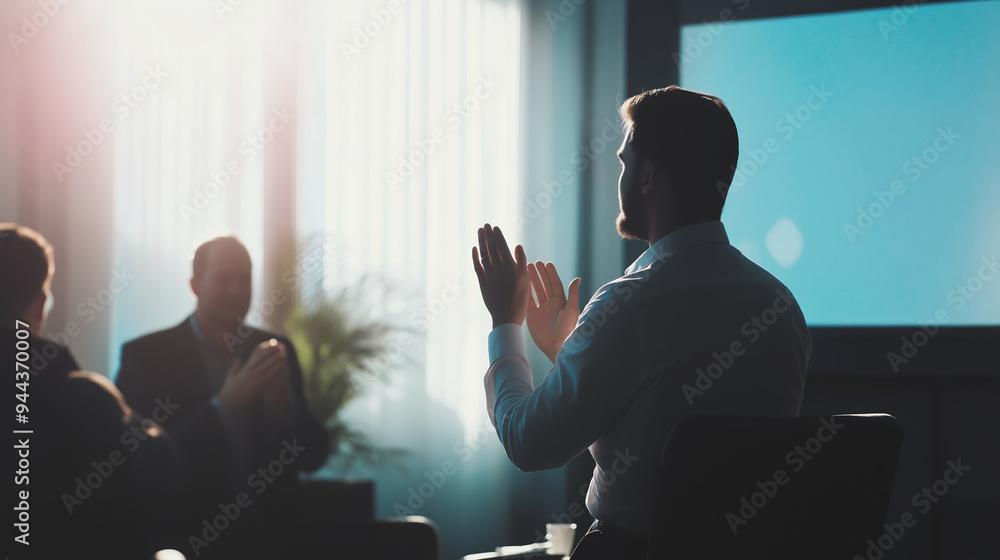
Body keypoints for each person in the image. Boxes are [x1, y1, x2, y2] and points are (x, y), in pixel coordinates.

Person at [471, 86, 812, 557]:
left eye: (624, 162)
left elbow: (528, 443)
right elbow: (658, 411)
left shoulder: (628, 306)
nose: (621, 178)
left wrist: (504, 323)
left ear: (648, 175)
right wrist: (568, 351)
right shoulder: (781, 307)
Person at [115, 235, 328, 559]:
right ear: (195, 285)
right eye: (224, 279)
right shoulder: (146, 356)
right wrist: (224, 407)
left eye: (245, 279)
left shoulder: (275, 351)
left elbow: (314, 456)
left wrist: (283, 411)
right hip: (184, 542)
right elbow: (143, 463)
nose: (236, 290)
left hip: (273, 543)